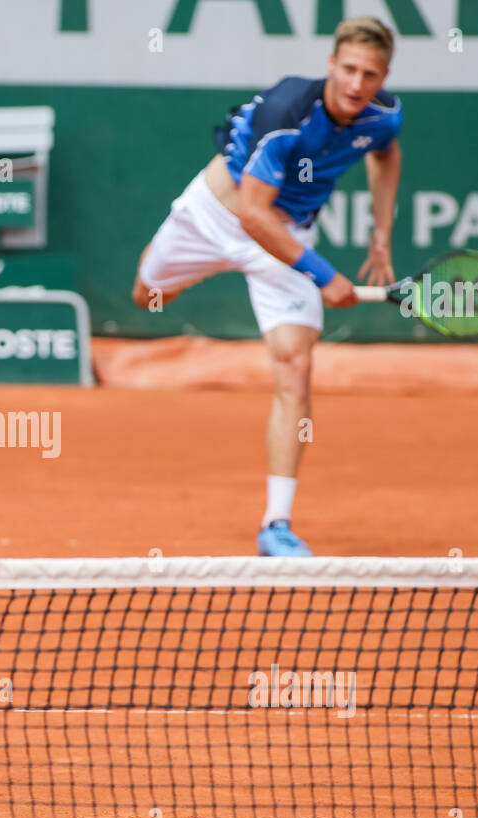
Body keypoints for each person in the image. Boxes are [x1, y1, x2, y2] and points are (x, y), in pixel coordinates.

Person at [132, 16, 403, 556]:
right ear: (330, 65)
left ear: (383, 76)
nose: (356, 84)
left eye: (369, 74)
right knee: (148, 296)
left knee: (295, 367)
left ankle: (276, 524)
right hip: (216, 218)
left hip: (289, 237)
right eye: (348, 69)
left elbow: (385, 153)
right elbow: (255, 216)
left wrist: (381, 234)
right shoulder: (286, 113)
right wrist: (325, 277)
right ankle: (172, 267)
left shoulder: (383, 117)